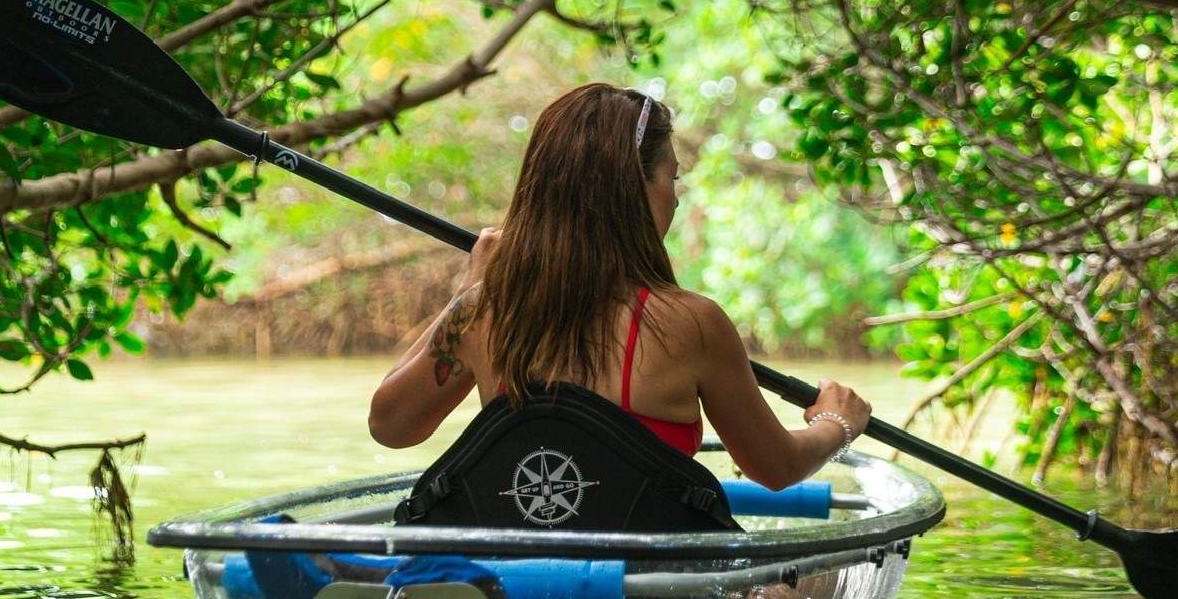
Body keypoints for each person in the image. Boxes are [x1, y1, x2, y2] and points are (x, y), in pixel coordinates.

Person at [368, 83, 871, 494]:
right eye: (672, 178)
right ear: (638, 190)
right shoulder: (692, 324)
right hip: (650, 589)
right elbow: (777, 467)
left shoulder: (485, 311)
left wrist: (472, 289)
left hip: (524, 578)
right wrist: (836, 422)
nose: (674, 199)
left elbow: (391, 425)